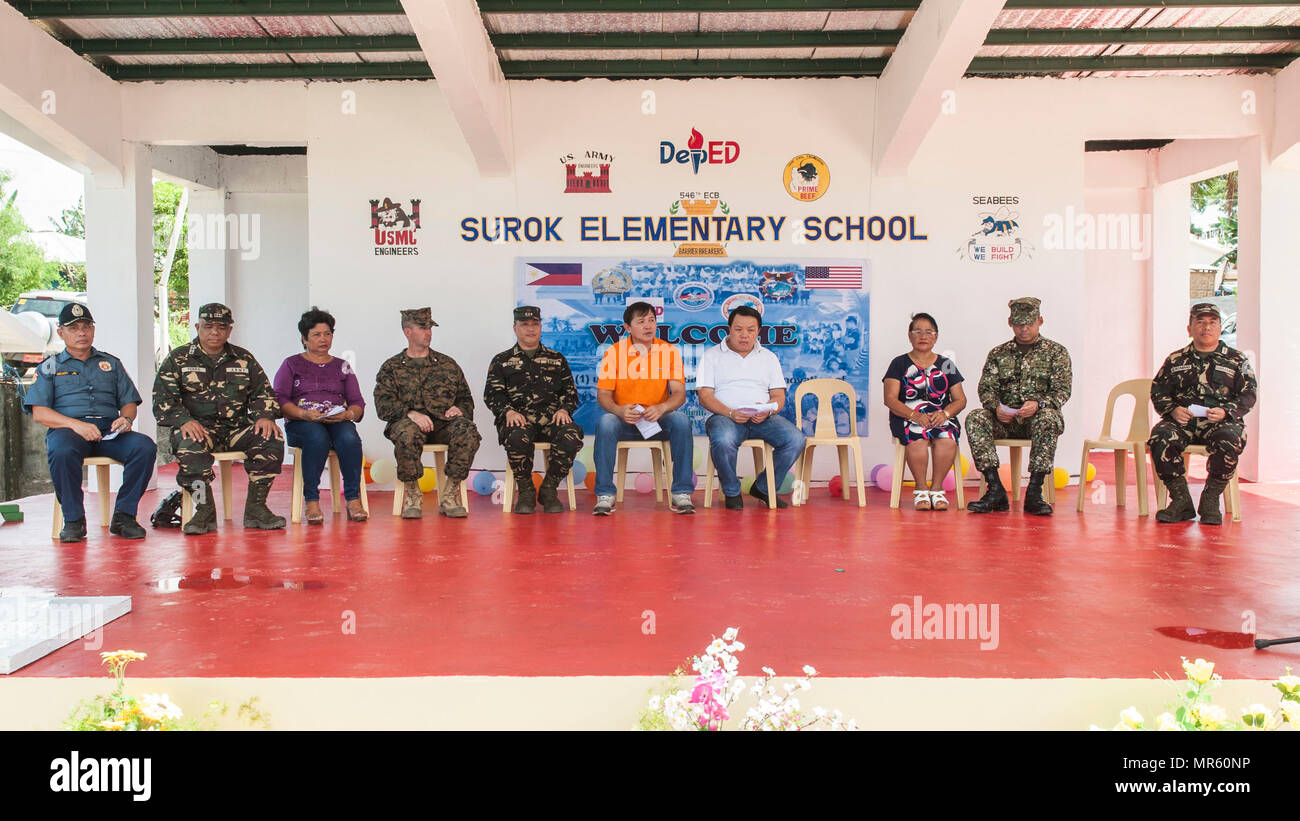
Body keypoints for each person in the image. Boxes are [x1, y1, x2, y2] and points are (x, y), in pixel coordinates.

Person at [23, 304, 157, 542]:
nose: (81, 332)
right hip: (68, 432)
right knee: (62, 450)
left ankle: (124, 516)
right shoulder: (50, 367)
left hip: (109, 432)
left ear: (93, 331)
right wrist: (76, 425)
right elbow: (40, 412)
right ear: (61, 332)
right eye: (73, 328)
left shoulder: (111, 364)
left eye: (86, 327)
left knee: (144, 447)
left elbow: (129, 402)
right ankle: (74, 520)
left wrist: (126, 419)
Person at [153, 303, 285, 535]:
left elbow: (263, 392)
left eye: (221, 327)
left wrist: (265, 416)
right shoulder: (179, 359)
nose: (215, 332)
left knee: (270, 438)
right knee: (187, 446)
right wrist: (184, 420)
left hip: (236, 429)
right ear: (197, 327)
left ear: (230, 330)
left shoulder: (243, 359)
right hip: (198, 429)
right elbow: (163, 401)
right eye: (208, 326)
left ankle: (256, 508)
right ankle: (204, 510)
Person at [1149, 303, 1256, 525]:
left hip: (1219, 423)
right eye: (1200, 322)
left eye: (1212, 323)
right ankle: (1180, 501)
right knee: (1160, 437)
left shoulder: (1236, 360)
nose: (1206, 327)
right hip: (1183, 421)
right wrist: (1172, 409)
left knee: (1231, 439)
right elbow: (1158, 390)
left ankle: (1210, 499)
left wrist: (1226, 412)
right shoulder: (1176, 359)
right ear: (1189, 328)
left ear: (1219, 328)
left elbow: (1248, 394)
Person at [966, 297, 1072, 516]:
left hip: (1038, 419)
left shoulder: (1056, 352)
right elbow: (986, 388)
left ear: (1040, 321)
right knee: (975, 417)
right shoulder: (998, 354)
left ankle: (1034, 492)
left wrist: (1039, 404)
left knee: (1049, 418)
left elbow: (1062, 390)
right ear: (1010, 323)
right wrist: (996, 407)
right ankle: (995, 490)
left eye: (1029, 323)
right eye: (1018, 324)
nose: (1024, 329)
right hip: (1005, 421)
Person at [374, 307, 481, 519]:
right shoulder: (392, 367)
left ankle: (450, 495)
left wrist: (459, 408)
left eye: (430, 328)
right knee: (406, 434)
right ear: (407, 332)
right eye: (422, 328)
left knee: (467, 430)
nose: (428, 332)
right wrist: (411, 413)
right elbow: (383, 404)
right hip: (408, 423)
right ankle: (413, 496)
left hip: (443, 424)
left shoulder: (447, 364)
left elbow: (466, 399)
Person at [696, 305, 805, 510]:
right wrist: (729, 412)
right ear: (729, 329)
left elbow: (778, 396)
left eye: (750, 330)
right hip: (725, 416)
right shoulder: (712, 356)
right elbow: (705, 396)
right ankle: (732, 491)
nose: (744, 335)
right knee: (724, 439)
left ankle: (763, 487)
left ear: (758, 331)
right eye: (738, 329)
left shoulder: (769, 357)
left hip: (763, 418)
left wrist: (768, 410)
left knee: (795, 439)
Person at [591, 301, 694, 515]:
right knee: (606, 421)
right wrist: (619, 411)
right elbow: (603, 396)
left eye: (652, 320)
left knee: (682, 421)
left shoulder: (668, 351)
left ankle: (682, 492)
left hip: (656, 420)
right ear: (627, 328)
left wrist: (662, 407)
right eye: (641, 322)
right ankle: (605, 494)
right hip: (625, 421)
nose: (648, 326)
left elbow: (680, 394)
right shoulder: (615, 352)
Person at [483, 306, 584, 514]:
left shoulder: (556, 359)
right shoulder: (501, 361)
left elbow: (570, 393)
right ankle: (526, 490)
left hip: (551, 420)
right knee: (517, 436)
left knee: (571, 436)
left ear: (540, 326)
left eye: (535, 324)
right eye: (525, 325)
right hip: (518, 420)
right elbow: (493, 395)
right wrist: (508, 411)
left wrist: (564, 410)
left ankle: (549, 488)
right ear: (515, 328)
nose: (530, 329)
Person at [273, 307, 368, 524]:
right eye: (316, 335)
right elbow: (279, 399)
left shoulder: (342, 366)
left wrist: (347, 414)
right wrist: (304, 414)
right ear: (304, 339)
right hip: (302, 422)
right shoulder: (291, 364)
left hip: (336, 420)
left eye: (327, 334)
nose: (323, 339)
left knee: (349, 438)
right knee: (317, 438)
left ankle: (353, 499)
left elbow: (357, 402)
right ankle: (312, 501)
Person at [882, 312, 967, 510]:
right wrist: (914, 416)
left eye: (929, 332)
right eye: (917, 331)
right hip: (907, 415)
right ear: (909, 336)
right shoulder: (899, 363)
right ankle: (921, 489)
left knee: (946, 437)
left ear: (936, 337)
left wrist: (944, 414)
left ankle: (936, 490)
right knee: (917, 436)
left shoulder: (946, 364)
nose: (923, 336)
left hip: (940, 414)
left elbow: (960, 399)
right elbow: (890, 399)